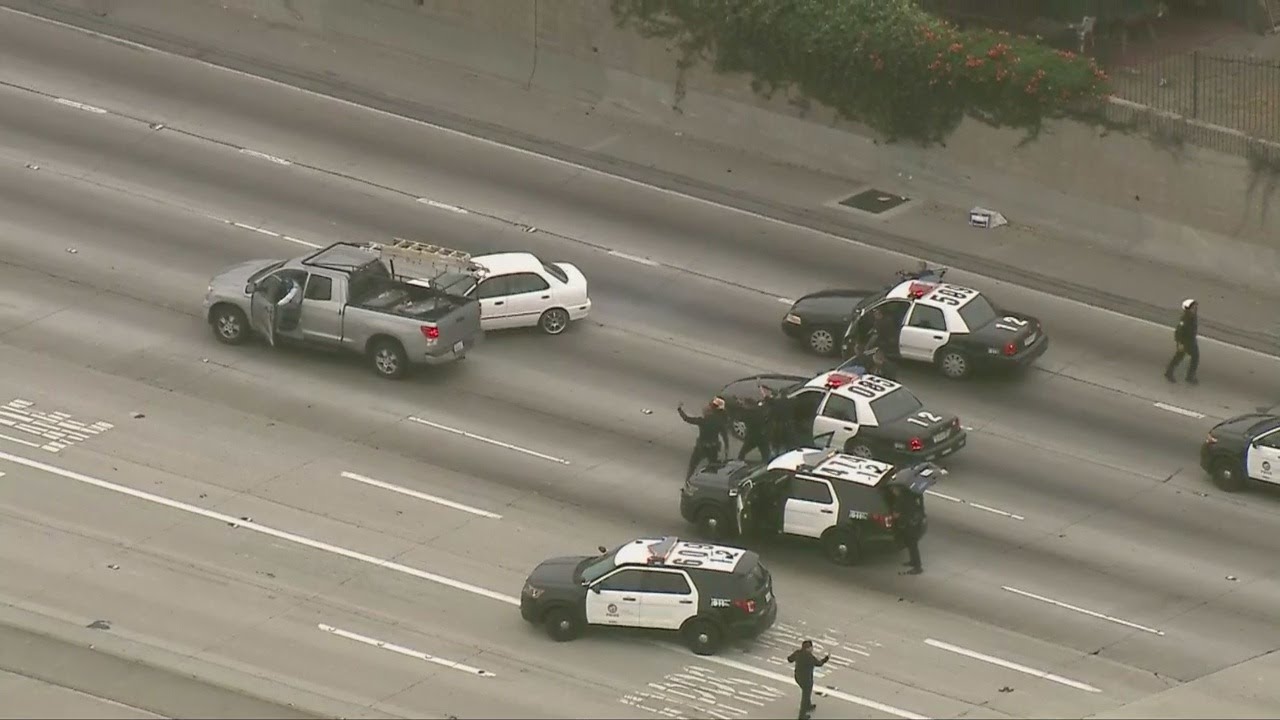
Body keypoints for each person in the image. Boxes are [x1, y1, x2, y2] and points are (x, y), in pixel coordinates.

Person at [678, 398, 730, 479]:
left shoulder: (702, 421)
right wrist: (726, 447)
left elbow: (687, 418)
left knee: (693, 465)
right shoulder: (719, 422)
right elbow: (724, 435)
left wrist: (679, 409)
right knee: (713, 465)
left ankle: (688, 481)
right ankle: (713, 480)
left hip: (701, 447)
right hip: (713, 447)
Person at [787, 639, 829, 720]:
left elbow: (789, 659)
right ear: (808, 648)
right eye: (811, 647)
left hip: (798, 677)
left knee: (807, 691)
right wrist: (826, 659)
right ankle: (802, 715)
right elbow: (819, 664)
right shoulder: (809, 657)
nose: (812, 649)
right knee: (805, 695)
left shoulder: (798, 653)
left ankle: (808, 705)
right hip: (806, 678)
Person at [890, 485, 925, 575]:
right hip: (916, 522)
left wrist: (893, 514)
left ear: (896, 490)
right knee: (912, 545)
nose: (892, 491)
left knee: (913, 546)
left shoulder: (900, 500)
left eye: (893, 489)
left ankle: (917, 567)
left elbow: (896, 515)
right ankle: (913, 561)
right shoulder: (909, 495)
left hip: (910, 525)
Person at [1164, 298, 1199, 385]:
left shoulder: (1193, 317)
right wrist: (1179, 343)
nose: (1195, 309)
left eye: (1196, 307)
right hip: (1185, 342)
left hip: (1191, 341)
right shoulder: (1185, 319)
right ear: (1188, 308)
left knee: (1193, 357)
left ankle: (1189, 376)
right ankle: (1171, 373)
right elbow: (1179, 331)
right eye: (1193, 307)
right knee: (1180, 357)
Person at [737, 387, 773, 461]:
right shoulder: (760, 410)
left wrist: (740, 405)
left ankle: (739, 464)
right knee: (766, 455)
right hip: (762, 436)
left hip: (752, 437)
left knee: (742, 453)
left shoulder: (748, 413)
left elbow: (740, 417)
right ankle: (767, 466)